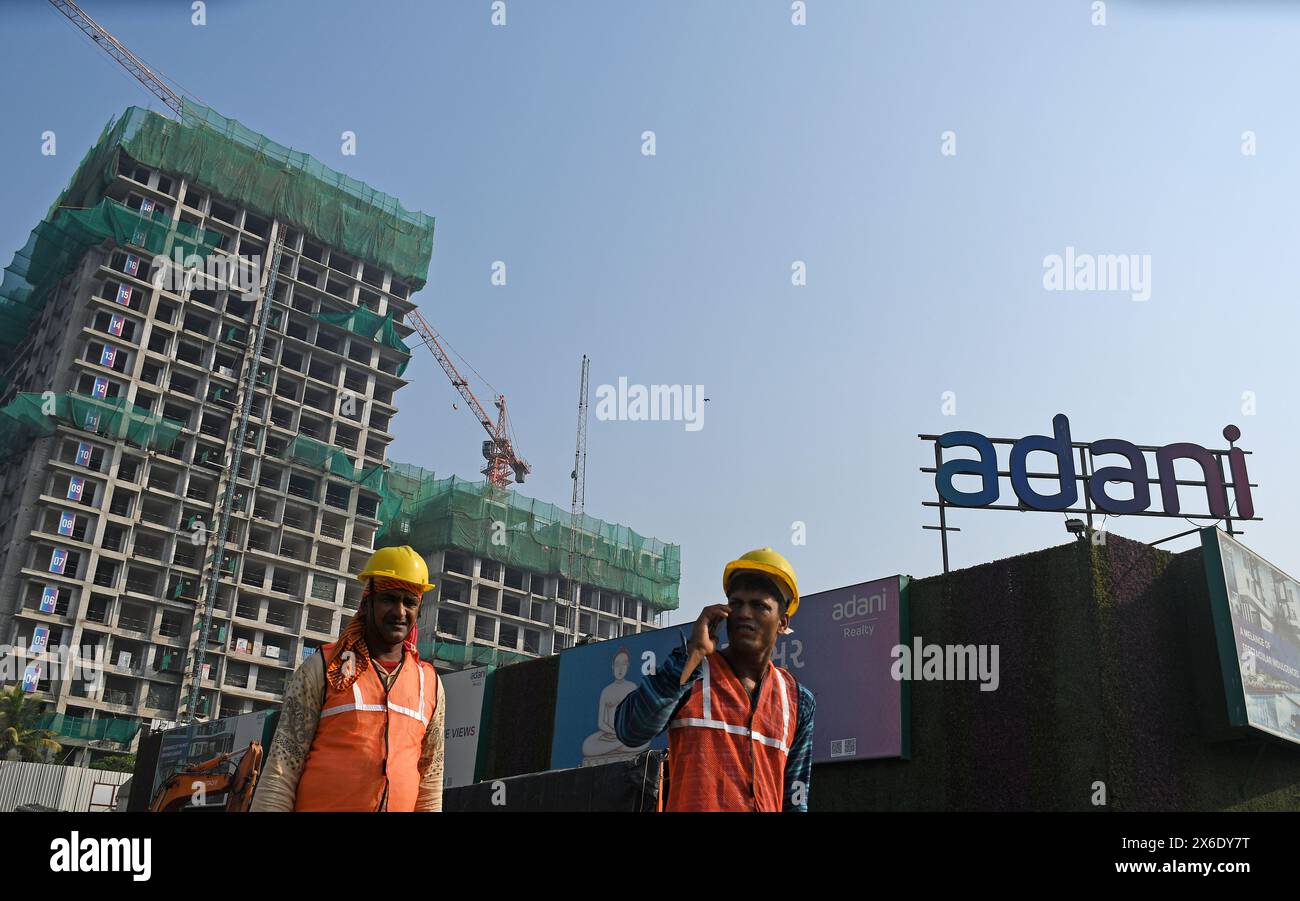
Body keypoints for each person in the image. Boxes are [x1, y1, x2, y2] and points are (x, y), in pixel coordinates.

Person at [614, 548, 815, 811]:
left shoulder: (798, 701)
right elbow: (629, 730)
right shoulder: (691, 673)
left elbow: (794, 799)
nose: (744, 613)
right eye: (736, 603)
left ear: (782, 622)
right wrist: (691, 655)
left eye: (759, 605)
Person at [251, 546, 445, 811]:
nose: (400, 612)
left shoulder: (429, 684)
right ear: (367, 602)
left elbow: (430, 781)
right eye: (389, 599)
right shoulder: (322, 667)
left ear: (419, 610)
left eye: (409, 602)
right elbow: (283, 767)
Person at [580, 646, 649, 766]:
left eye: (623, 664)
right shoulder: (606, 691)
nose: (620, 668)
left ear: (628, 666)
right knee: (587, 745)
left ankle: (619, 744)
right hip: (608, 735)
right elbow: (601, 722)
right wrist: (613, 732)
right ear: (612, 667)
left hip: (627, 734)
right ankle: (618, 745)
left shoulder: (632, 688)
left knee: (644, 739)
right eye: (617, 664)